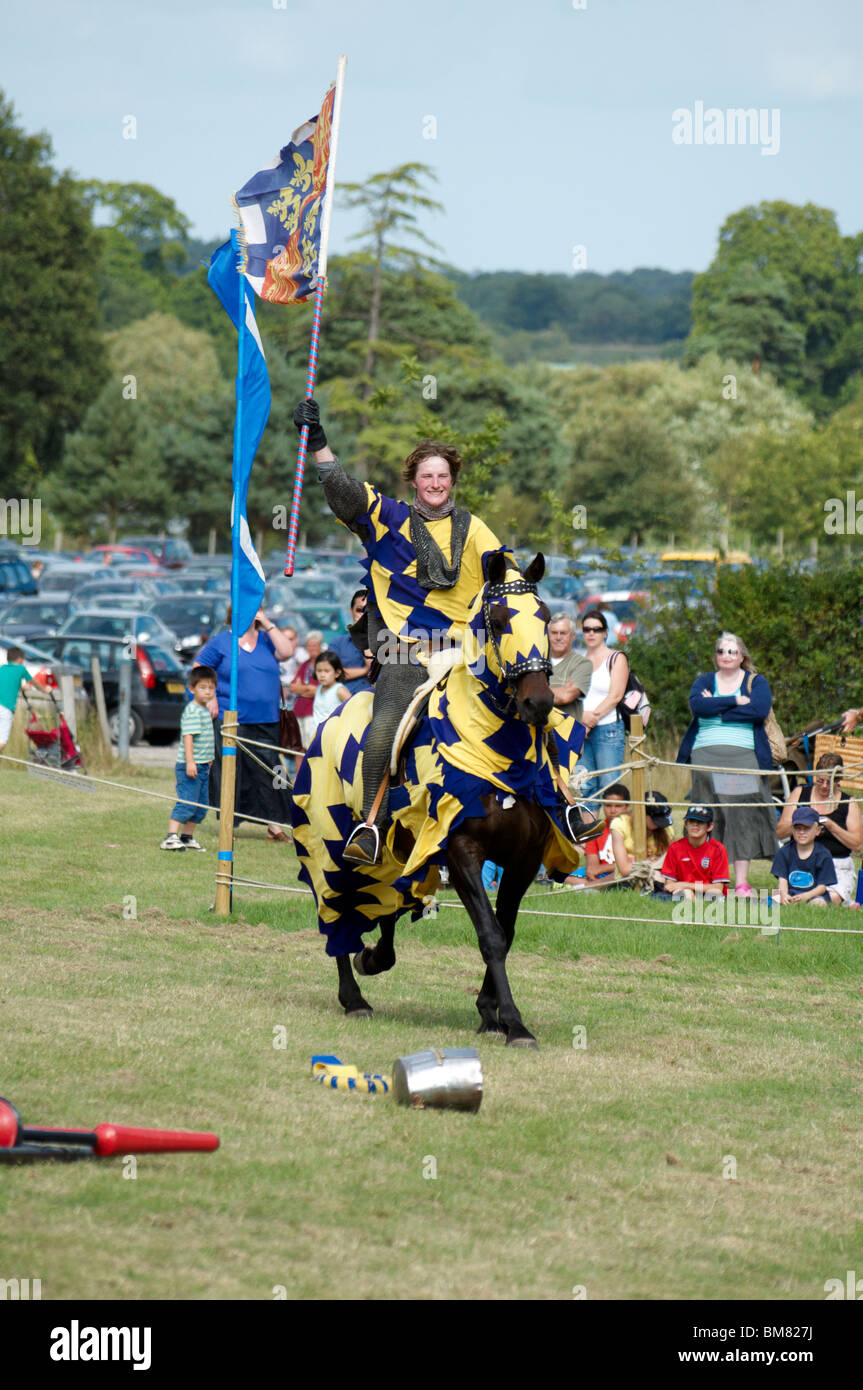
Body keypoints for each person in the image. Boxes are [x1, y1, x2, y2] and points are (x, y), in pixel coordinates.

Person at [292, 396, 514, 865]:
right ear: (413, 481)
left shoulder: (475, 530)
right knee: (384, 730)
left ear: (452, 481)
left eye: (443, 476)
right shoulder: (388, 518)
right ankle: (370, 826)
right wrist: (319, 441)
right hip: (405, 652)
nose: (435, 483)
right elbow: (346, 492)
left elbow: (506, 579)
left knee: (528, 712)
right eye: (426, 476)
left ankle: (563, 806)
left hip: (467, 653)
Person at [676, 631, 777, 897]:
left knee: (740, 815)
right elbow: (698, 707)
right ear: (716, 656)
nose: (727, 656)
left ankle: (741, 881)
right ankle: (710, 879)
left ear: (742, 656)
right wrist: (733, 701)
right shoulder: (704, 680)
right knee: (706, 816)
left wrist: (716, 705)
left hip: (742, 756)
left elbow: (758, 710)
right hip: (704, 757)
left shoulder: (756, 682)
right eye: (722, 651)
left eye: (732, 651)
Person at [197, 606, 295, 843]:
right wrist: (209, 698)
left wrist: (267, 622)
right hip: (231, 719)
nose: (250, 612)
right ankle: (228, 825)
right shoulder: (222, 642)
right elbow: (198, 670)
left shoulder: (266, 639)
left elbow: (287, 651)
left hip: (266, 718)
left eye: (254, 609)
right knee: (232, 772)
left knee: (270, 771)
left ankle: (274, 825)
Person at [775, 753, 862, 904]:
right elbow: (780, 832)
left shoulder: (848, 803)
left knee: (825, 900)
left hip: (836, 865)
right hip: (800, 863)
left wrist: (832, 826)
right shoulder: (800, 794)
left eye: (830, 782)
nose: (824, 786)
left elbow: (858, 845)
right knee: (788, 899)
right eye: (820, 780)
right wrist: (804, 822)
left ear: (839, 780)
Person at [160, 665, 217, 851]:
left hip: (202, 766)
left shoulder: (204, 710)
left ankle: (187, 837)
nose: (207, 692)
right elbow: (188, 738)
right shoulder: (192, 710)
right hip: (190, 766)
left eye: (211, 688)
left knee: (200, 806)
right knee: (187, 801)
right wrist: (191, 762)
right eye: (203, 687)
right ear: (192, 689)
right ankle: (171, 837)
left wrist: (208, 758)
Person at [578, 609, 630, 808]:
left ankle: (613, 836)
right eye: (587, 629)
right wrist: (581, 718)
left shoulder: (616, 658)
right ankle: (588, 838)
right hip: (581, 730)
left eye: (596, 629)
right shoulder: (578, 659)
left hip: (607, 729)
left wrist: (591, 720)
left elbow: (615, 695)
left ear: (605, 632)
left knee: (609, 788)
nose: (591, 633)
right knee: (584, 786)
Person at [656, 804, 730, 900]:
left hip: (708, 893)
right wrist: (685, 890)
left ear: (710, 826)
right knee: (661, 896)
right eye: (691, 821)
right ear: (685, 824)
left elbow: (718, 887)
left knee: (714, 893)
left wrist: (685, 885)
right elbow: (669, 885)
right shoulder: (675, 848)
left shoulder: (718, 849)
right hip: (683, 891)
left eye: (700, 821)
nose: (695, 824)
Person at [772, 805, 840, 906]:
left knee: (819, 903)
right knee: (773, 899)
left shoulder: (823, 855)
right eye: (797, 828)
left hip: (813, 895)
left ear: (818, 830)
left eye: (807, 828)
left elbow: (822, 887)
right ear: (792, 829)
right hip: (790, 893)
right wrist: (784, 895)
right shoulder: (783, 852)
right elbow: (782, 880)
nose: (802, 832)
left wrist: (805, 896)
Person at [608, 788, 674, 886]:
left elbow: (673, 863)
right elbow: (624, 868)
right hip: (627, 881)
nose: (660, 824)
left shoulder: (666, 829)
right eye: (656, 820)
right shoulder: (620, 825)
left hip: (660, 878)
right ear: (642, 814)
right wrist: (652, 868)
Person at [570, 782, 632, 887]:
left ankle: (592, 886)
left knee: (622, 874)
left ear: (627, 807)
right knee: (568, 877)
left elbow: (632, 865)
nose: (613, 810)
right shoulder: (597, 829)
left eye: (618, 806)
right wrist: (592, 871)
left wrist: (602, 868)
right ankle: (597, 885)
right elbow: (592, 865)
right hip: (601, 874)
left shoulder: (632, 828)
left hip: (621, 871)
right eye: (608, 806)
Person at [548, 612, 593, 724]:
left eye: (563, 633)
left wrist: (535, 692)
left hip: (567, 736)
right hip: (538, 736)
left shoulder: (582, 664)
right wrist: (559, 690)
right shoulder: (538, 663)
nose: (558, 637)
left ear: (572, 636)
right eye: (554, 633)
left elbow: (565, 696)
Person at [328, 590, 373, 694]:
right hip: (344, 702)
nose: (363, 615)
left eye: (368, 611)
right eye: (359, 610)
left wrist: (363, 635)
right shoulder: (338, 643)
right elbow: (331, 675)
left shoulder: (382, 642)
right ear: (351, 611)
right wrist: (364, 671)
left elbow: (373, 670)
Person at [289, 630, 323, 749]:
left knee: (312, 745)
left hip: (313, 711)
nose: (311, 648)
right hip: (299, 710)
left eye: (314, 645)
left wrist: (302, 688)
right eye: (309, 645)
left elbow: (318, 690)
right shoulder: (305, 665)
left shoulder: (323, 664)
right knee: (300, 746)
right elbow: (292, 687)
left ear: (320, 647)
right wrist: (307, 688)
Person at [0, 647, 33, 752]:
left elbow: (8, 684)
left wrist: (20, 687)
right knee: (2, 740)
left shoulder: (2, 668)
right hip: (6, 707)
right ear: (19, 659)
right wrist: (45, 690)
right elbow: (33, 682)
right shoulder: (21, 669)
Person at [310, 651, 351, 733]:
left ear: (337, 673)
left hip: (331, 738)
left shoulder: (340, 690)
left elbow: (353, 711)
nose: (322, 675)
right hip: (315, 737)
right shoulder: (318, 689)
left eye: (327, 671)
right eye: (319, 670)